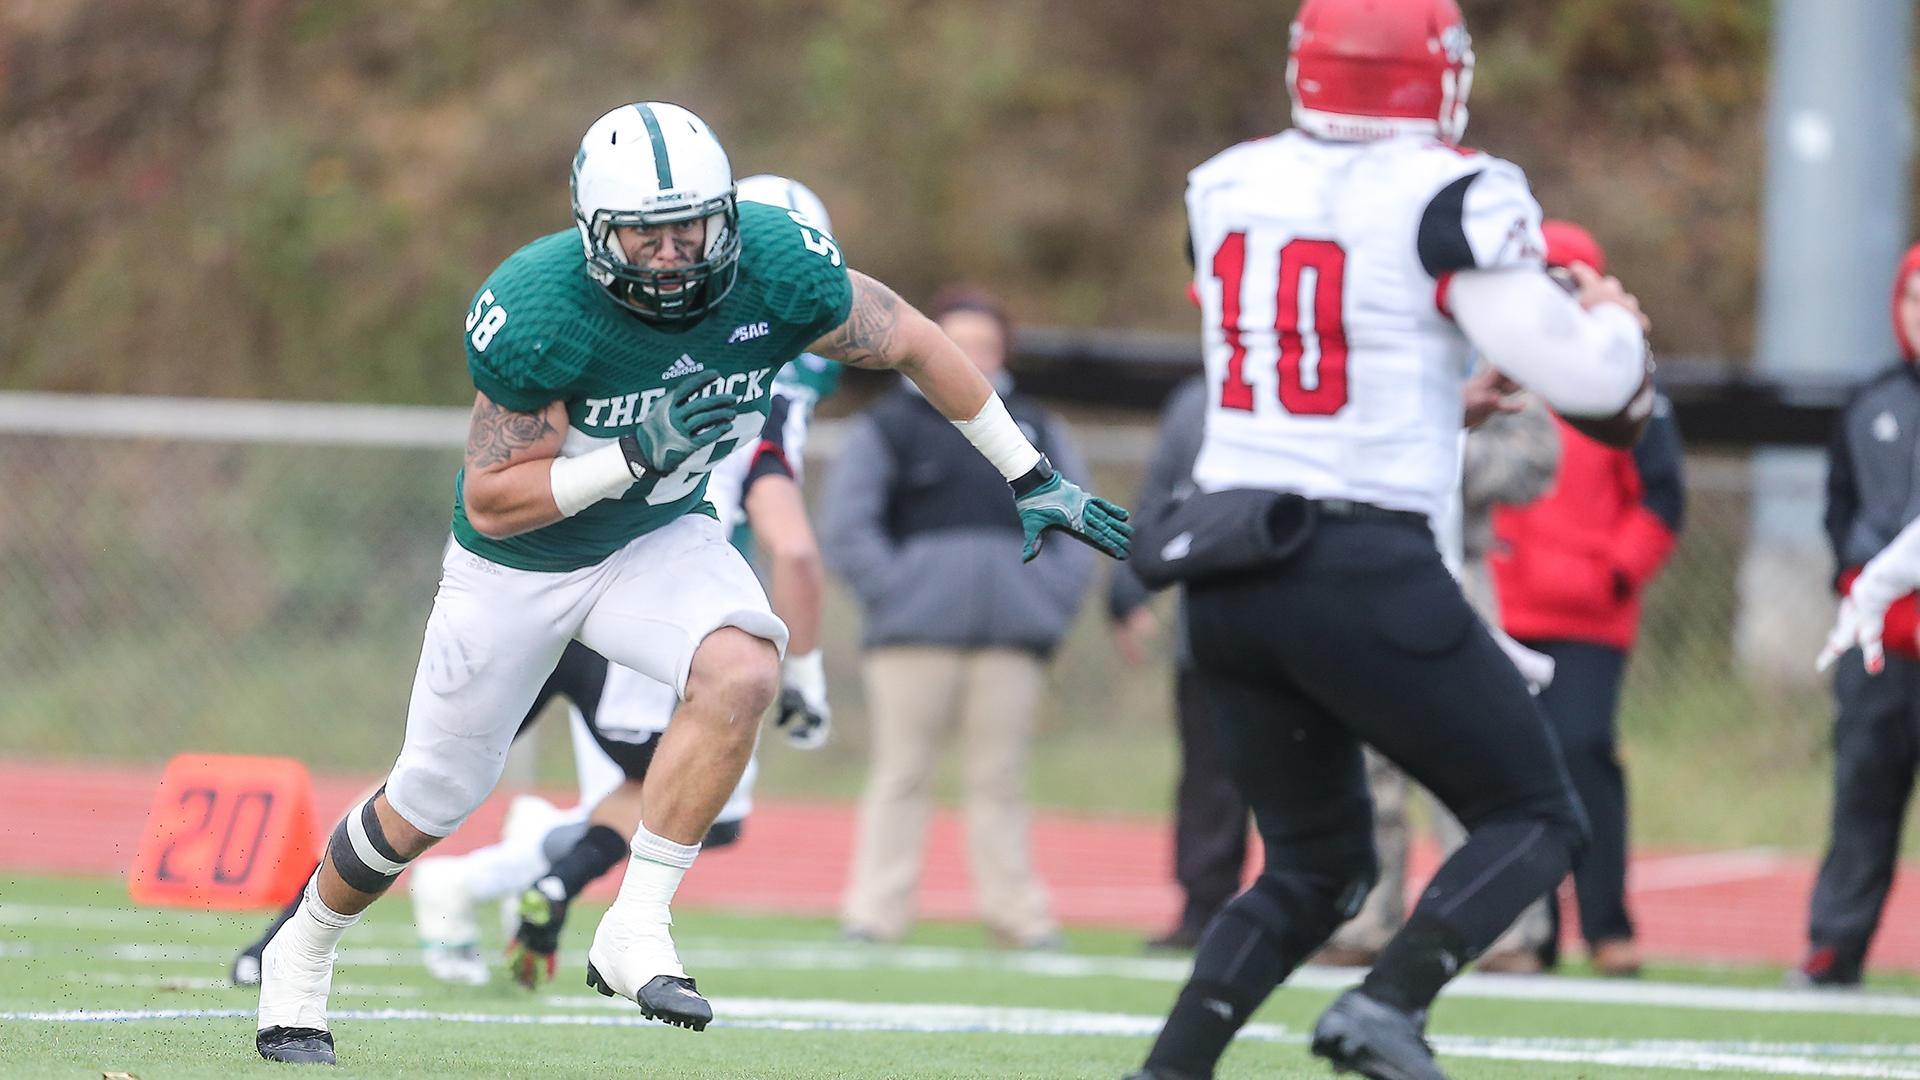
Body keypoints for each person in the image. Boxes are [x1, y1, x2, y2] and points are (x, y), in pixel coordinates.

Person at [253, 102, 1131, 1065]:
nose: (673, 254)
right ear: (596, 233)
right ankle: (304, 950)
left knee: (746, 666)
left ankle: (636, 923)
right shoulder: (540, 305)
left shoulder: (779, 266)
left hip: (656, 536)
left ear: (728, 216)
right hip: (521, 564)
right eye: (646, 234)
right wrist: (632, 453)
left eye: (692, 228)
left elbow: (916, 341)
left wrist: (1028, 474)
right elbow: (495, 501)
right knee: (433, 794)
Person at [1122, 1, 1653, 1077]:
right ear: (1440, 76)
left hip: (1228, 567)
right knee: (1537, 816)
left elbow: (1317, 360)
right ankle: (1388, 1006)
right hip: (1355, 564)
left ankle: (1167, 1072)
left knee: (1315, 867)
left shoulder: (1225, 184)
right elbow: (1598, 390)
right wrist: (1615, 325)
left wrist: (1445, 404)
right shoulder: (1453, 191)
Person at [823, 286, 1097, 949]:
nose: (972, 355)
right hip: (910, 639)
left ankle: (1018, 917)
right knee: (901, 773)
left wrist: (1044, 598)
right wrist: (901, 592)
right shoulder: (888, 426)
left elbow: (1078, 524)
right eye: (958, 343)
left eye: (986, 344)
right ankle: (875, 914)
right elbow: (847, 528)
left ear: (1005, 352)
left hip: (1012, 639)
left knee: (999, 780)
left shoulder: (1039, 427)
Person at [1489, 219, 1685, 978]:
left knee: (1583, 753)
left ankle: (1607, 926)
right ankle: (1527, 934)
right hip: (1502, 609)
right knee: (1509, 768)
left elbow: (1662, 499)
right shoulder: (1492, 367)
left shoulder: (1620, 380)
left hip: (1588, 620)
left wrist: (1613, 575)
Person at [1798, 240, 1920, 989]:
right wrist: (1860, 585)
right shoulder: (1871, 399)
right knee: (1863, 795)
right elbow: (1842, 511)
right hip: (1882, 644)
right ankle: (1833, 947)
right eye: (1915, 297)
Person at [1109, 376, 1250, 952]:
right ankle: (1204, 909)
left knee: (1319, 772)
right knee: (1210, 776)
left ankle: (1339, 915)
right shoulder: (1195, 402)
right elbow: (1160, 500)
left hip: (1315, 614)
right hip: (1212, 621)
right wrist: (1130, 588)